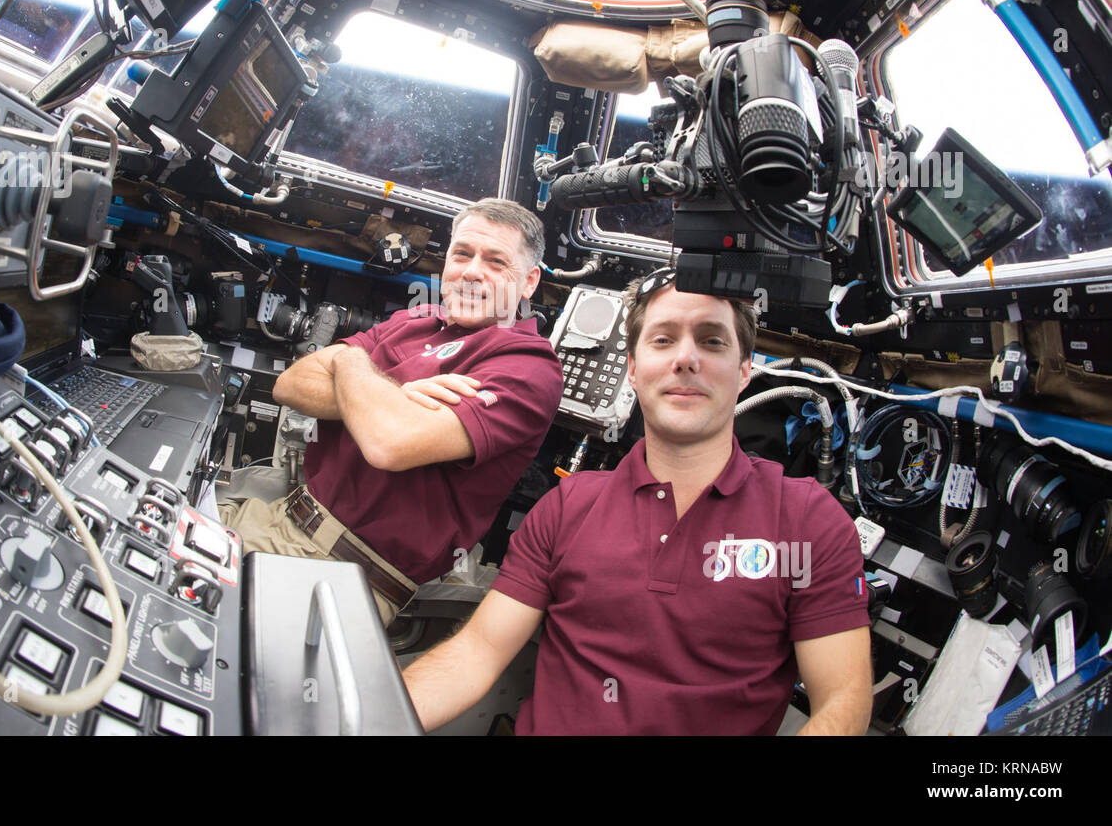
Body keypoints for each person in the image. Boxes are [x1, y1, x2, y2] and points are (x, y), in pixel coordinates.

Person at [402, 267, 873, 734]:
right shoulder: (568, 507)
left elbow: (843, 701)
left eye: (712, 342)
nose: (686, 359)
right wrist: (367, 717)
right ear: (631, 367)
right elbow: (476, 652)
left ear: (745, 369)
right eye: (663, 340)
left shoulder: (809, 522)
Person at [219, 198, 563, 624]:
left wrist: (347, 362)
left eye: (496, 262)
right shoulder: (415, 320)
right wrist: (399, 394)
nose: (472, 272)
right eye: (462, 254)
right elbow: (291, 385)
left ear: (528, 283)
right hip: (275, 513)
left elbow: (388, 442)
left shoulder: (526, 367)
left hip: (337, 572)